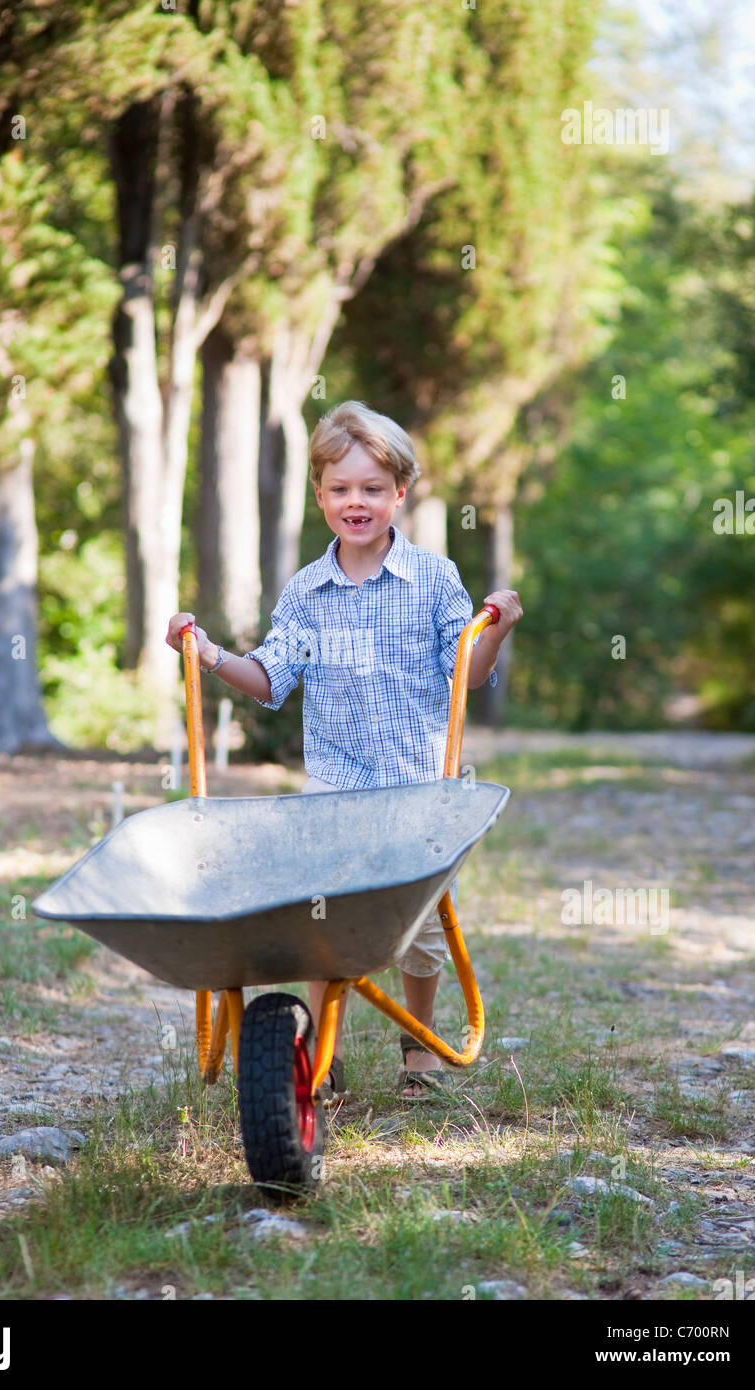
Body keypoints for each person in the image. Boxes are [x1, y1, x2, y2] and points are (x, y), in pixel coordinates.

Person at [166, 400, 522, 1100]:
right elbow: (270, 678)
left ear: (399, 492)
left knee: (417, 931)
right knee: (322, 921)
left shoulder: (432, 579)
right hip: (335, 785)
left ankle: (418, 1046)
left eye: (370, 489)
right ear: (319, 495)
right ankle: (317, 1061)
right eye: (339, 489)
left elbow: (467, 675)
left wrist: (496, 630)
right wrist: (209, 655)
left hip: (419, 784)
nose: (354, 502)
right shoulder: (307, 590)